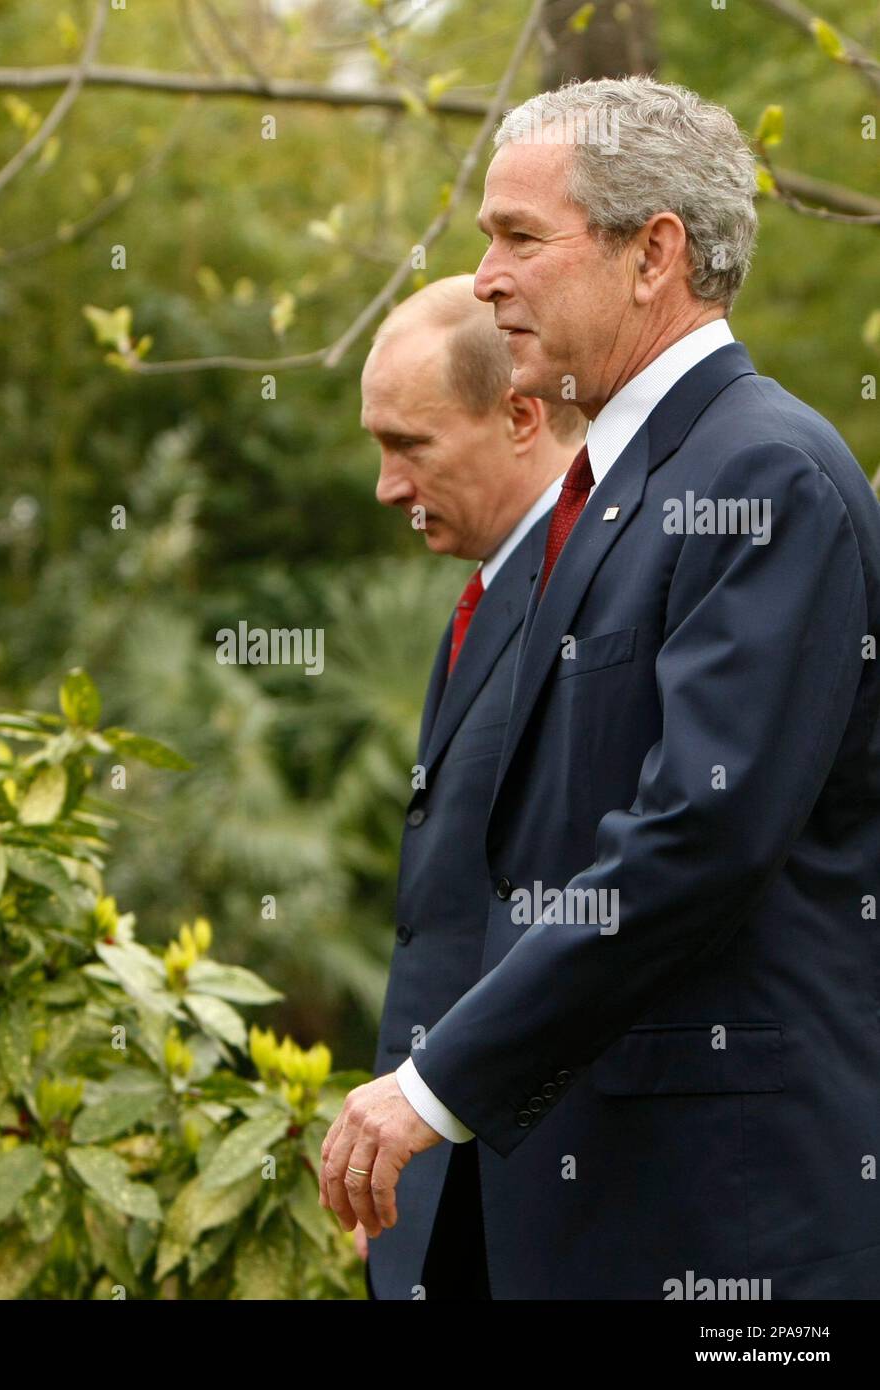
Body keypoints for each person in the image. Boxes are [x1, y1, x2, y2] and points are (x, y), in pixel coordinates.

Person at [322, 75, 880, 1299]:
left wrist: (433, 1082)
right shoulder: (617, 486)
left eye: (519, 237)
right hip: (582, 1218)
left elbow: (694, 838)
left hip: (720, 1229)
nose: (483, 278)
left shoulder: (766, 475)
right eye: (484, 241)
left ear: (653, 255)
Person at [357, 277, 584, 1298]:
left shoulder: (594, 593)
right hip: (452, 1185)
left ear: (521, 415)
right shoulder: (496, 587)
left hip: (550, 1203)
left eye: (410, 445)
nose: (387, 485)